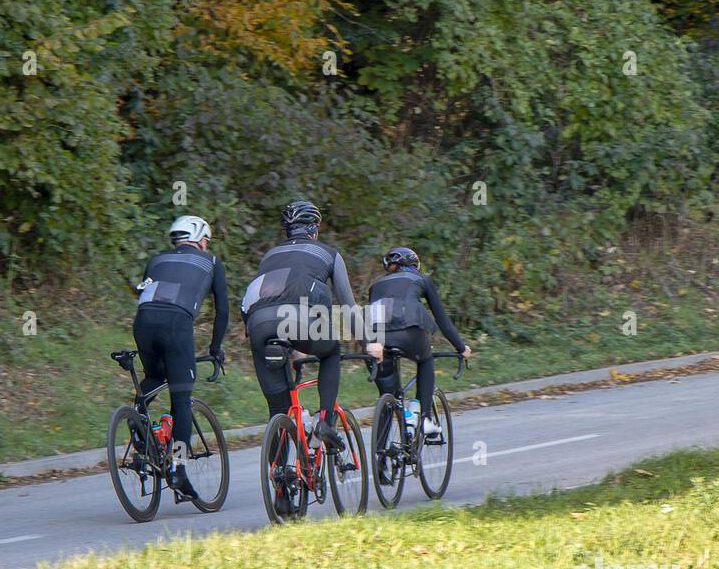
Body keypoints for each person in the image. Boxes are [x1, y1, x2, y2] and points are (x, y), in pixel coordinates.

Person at [242, 200, 358, 453]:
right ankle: (326, 423)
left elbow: (254, 296)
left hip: (258, 324)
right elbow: (347, 305)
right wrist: (369, 343)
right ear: (315, 228)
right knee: (332, 352)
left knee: (278, 410)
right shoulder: (328, 253)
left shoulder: (270, 255)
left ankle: (281, 483)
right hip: (299, 320)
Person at [133, 214, 228, 500]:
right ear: (200, 239)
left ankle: (139, 425)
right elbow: (222, 310)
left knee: (153, 376)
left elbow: (144, 292)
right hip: (176, 325)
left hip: (143, 322)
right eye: (207, 240)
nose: (207, 245)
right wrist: (215, 348)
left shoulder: (157, 260)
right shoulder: (210, 262)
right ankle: (178, 468)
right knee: (181, 399)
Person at [365, 246, 472, 437]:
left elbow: (373, 318)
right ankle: (423, 417)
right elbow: (442, 320)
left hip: (376, 340)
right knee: (425, 360)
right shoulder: (422, 279)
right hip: (410, 333)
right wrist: (461, 347)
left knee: (388, 399)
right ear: (414, 265)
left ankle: (380, 459)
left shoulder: (376, 286)